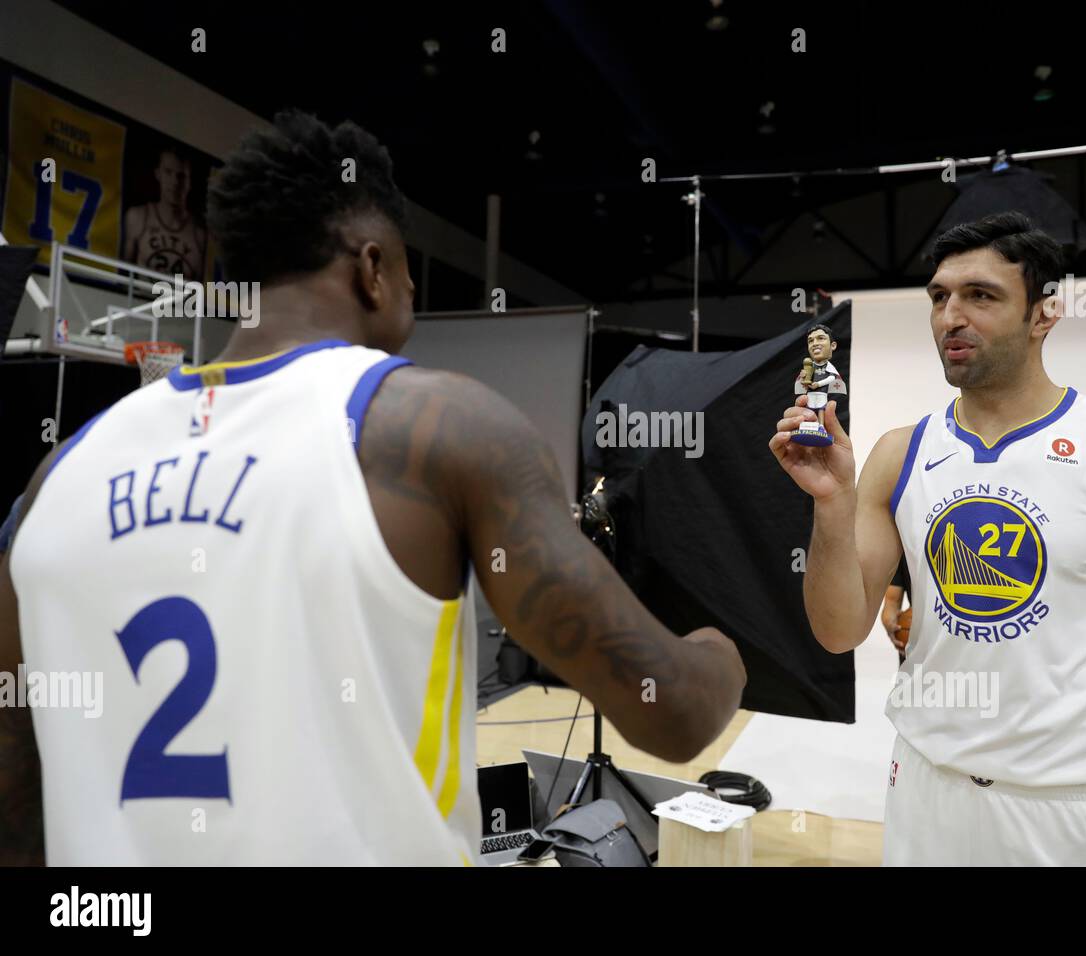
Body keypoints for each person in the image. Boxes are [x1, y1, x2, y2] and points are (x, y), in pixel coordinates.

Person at [0, 110, 746, 866]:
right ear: (372, 267)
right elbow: (672, 714)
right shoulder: (442, 429)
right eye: (407, 266)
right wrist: (725, 646)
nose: (414, 286)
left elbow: (16, 785)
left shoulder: (58, 476)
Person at [770, 211, 1086, 866]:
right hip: (927, 789)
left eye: (981, 296)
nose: (950, 316)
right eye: (939, 297)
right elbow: (838, 629)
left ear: (1044, 314)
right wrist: (832, 504)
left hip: (1077, 809)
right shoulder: (899, 455)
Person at [121, 145, 208, 279]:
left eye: (182, 176)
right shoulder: (138, 217)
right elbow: (122, 277)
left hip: (181, 300)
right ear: (158, 174)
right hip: (142, 299)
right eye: (168, 172)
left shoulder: (200, 234)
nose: (175, 182)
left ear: (190, 182)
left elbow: (200, 291)